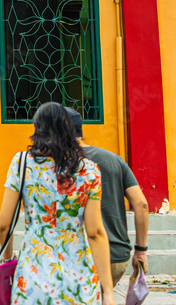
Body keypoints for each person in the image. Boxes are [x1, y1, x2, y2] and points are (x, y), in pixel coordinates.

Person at [0, 101, 114, 305]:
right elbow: (95, 232)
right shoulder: (89, 170)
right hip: (79, 280)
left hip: (33, 278)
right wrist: (108, 293)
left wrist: (8, 259)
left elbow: (4, 225)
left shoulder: (22, 163)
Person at [66, 107, 149, 287]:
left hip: (79, 256)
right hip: (116, 256)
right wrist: (141, 250)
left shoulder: (57, 163)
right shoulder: (114, 159)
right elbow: (141, 204)